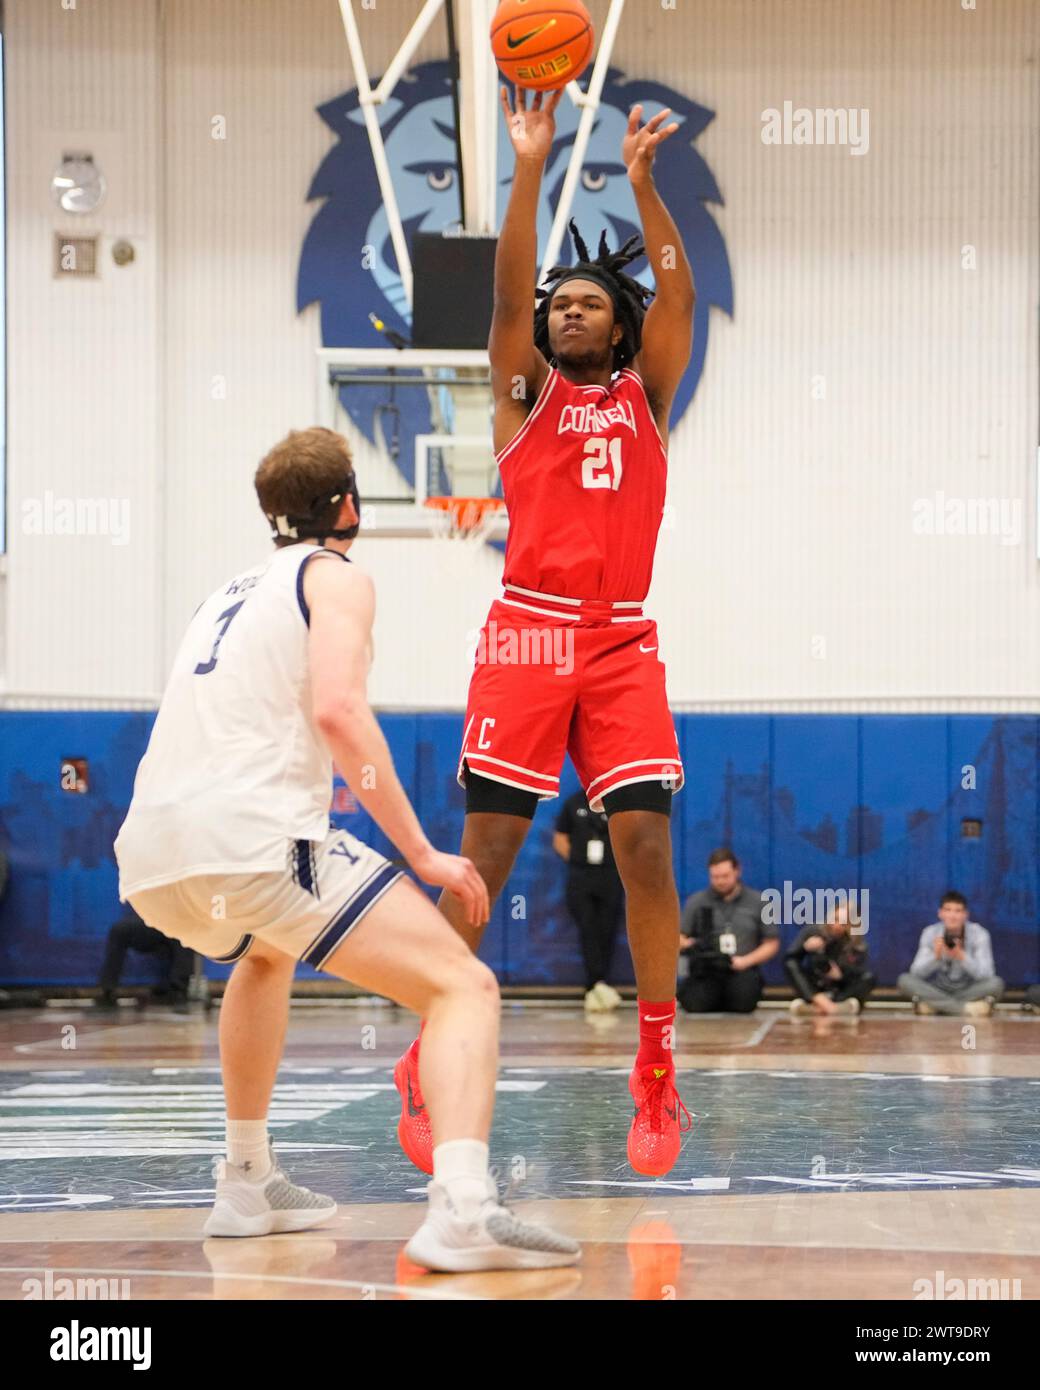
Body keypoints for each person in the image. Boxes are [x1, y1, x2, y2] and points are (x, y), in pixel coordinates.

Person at [114, 426, 578, 1272]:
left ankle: (246, 1178)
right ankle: (464, 1207)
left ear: (272, 514)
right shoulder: (338, 578)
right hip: (248, 837)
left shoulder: (223, 593)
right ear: (351, 506)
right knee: (463, 985)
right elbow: (338, 712)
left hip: (150, 852)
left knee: (263, 955)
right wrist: (424, 853)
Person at [394, 86, 696, 1179]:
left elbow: (680, 297)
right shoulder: (522, 398)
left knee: (648, 849)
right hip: (526, 632)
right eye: (554, 302)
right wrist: (528, 167)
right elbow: (503, 304)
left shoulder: (645, 397)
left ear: (614, 321)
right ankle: (430, 1047)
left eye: (583, 302)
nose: (566, 311)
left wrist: (648, 189)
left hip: (618, 640)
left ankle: (655, 1073)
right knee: (484, 860)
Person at [677, 849, 779, 1014]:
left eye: (725, 876)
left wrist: (745, 961)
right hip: (706, 970)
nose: (720, 881)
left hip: (741, 969)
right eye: (715, 877)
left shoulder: (760, 901)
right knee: (695, 1004)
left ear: (737, 871)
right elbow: (679, 938)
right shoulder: (696, 902)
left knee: (743, 1002)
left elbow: (771, 943)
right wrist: (691, 945)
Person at [553, 788, 624, 1012]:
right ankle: (594, 982)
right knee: (587, 926)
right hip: (581, 875)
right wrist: (577, 859)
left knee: (608, 927)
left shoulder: (615, 803)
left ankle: (601, 980)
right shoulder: (573, 803)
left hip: (610, 874)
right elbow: (560, 838)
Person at [897, 890, 1004, 1017]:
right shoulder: (930, 933)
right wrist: (935, 957)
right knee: (904, 980)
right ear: (940, 913)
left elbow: (987, 974)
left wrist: (962, 956)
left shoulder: (979, 934)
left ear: (966, 915)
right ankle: (965, 1009)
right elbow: (916, 972)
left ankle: (933, 1006)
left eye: (958, 911)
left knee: (997, 984)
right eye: (948, 910)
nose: (952, 916)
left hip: (969, 990)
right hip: (936, 989)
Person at [96, 904, 195, 1012]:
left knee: (183, 931)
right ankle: (107, 991)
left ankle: (178, 991)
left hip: (177, 919)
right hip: (151, 917)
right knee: (119, 930)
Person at [784, 903, 874, 1016]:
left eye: (843, 923)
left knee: (869, 977)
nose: (836, 925)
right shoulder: (814, 931)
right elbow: (790, 959)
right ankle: (827, 1005)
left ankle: (823, 1008)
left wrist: (841, 974)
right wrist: (805, 948)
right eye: (835, 919)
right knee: (791, 964)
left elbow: (857, 970)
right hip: (815, 986)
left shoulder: (856, 943)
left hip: (840, 989)